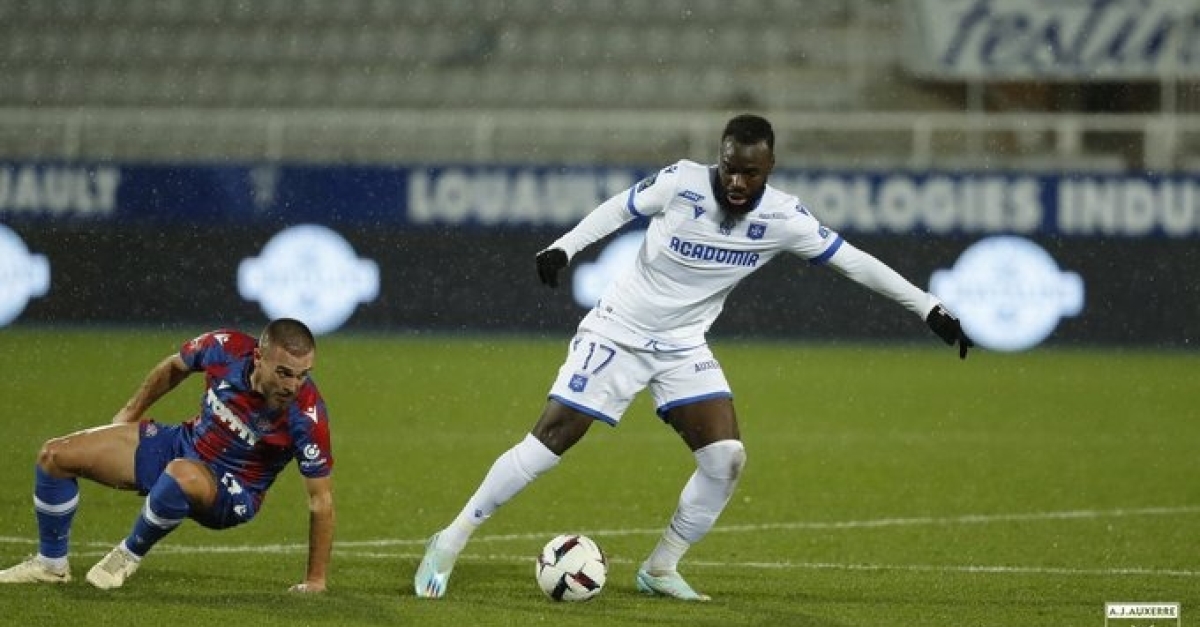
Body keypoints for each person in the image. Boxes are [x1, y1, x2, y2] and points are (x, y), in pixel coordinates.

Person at [413, 114, 973, 601]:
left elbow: (855, 262)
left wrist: (928, 308)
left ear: (770, 167)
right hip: (620, 329)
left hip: (682, 345)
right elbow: (619, 208)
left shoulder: (784, 220)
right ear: (719, 158)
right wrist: (566, 245)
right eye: (729, 167)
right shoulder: (681, 183)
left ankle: (661, 567)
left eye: (750, 172)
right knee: (554, 438)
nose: (736, 181)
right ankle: (452, 537)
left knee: (726, 458)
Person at [0, 318, 335, 592]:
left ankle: (127, 555)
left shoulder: (306, 416)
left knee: (180, 473)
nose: (293, 386)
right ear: (258, 358)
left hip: (234, 491)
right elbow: (175, 366)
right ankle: (50, 564)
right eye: (284, 372)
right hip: (183, 444)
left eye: (303, 374)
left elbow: (321, 500)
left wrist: (315, 581)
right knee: (55, 455)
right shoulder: (225, 348)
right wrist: (129, 415)